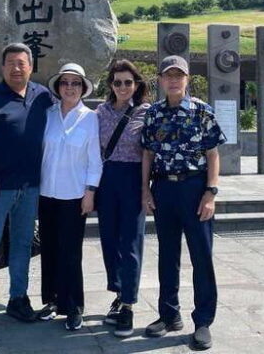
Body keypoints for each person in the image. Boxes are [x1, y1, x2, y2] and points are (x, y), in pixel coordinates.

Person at [0, 43, 54, 336]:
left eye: (22, 63)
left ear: (31, 66)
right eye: (11, 63)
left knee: (22, 246)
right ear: (2, 68)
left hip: (30, 189)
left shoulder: (42, 97)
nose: (17, 68)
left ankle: (18, 298)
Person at [141, 55, 226, 351]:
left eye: (179, 75)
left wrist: (211, 193)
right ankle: (168, 314)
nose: (174, 80)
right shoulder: (153, 114)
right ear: (161, 80)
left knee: (201, 256)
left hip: (194, 189)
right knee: (167, 255)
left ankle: (203, 321)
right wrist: (145, 191)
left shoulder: (202, 111)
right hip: (164, 188)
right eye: (169, 75)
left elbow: (213, 154)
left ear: (187, 79)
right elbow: (148, 155)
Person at [36, 62, 102, 331]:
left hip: (75, 195)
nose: (70, 88)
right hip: (46, 193)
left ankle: (74, 306)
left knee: (71, 253)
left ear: (83, 88)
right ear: (58, 87)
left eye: (76, 83)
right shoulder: (48, 115)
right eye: (65, 83)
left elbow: (95, 160)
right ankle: (51, 300)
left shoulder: (90, 118)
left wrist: (90, 192)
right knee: (49, 249)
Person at [95, 59, 150, 337]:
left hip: (132, 179)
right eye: (117, 82)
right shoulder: (100, 112)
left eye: (128, 82)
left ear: (136, 84)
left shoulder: (145, 112)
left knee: (130, 243)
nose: (123, 87)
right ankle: (118, 292)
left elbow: (150, 154)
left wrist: (145, 188)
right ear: (110, 85)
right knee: (109, 241)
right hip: (106, 180)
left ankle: (128, 304)